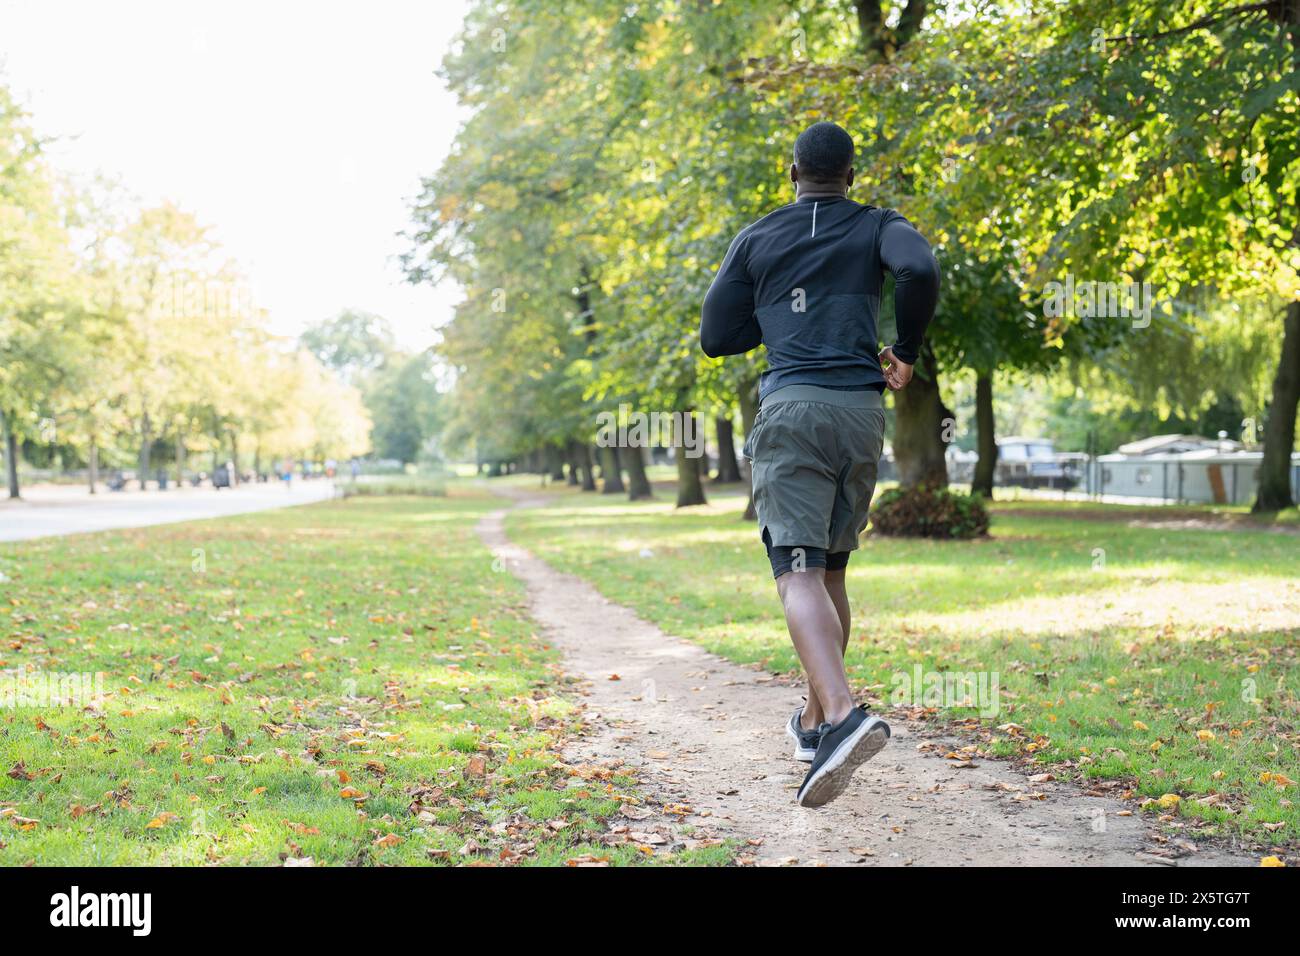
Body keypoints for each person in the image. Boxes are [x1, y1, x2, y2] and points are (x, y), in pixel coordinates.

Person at [699, 121, 940, 808]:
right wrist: (907, 347)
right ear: (851, 176)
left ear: (792, 171)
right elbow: (919, 269)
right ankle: (811, 726)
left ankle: (841, 716)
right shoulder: (877, 225)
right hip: (861, 415)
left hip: (795, 411)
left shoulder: (758, 236)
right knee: (831, 569)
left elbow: (717, 336)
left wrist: (775, 318)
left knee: (797, 572)